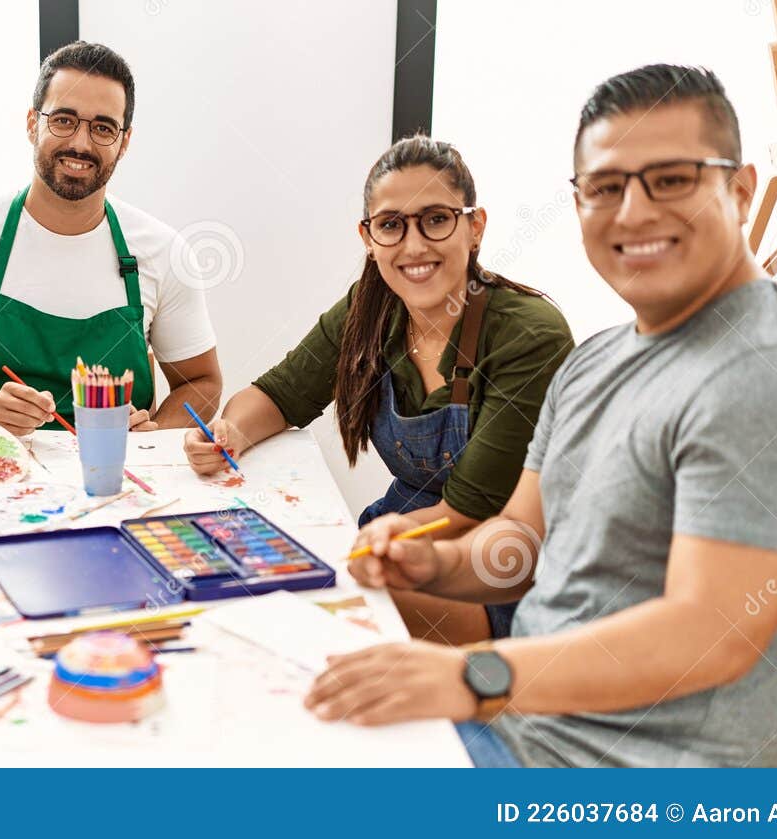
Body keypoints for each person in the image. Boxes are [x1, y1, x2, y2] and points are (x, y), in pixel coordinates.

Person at [306, 65, 777, 768]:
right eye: (605, 187)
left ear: (741, 190)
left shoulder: (773, 377)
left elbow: (708, 634)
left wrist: (472, 674)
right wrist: (434, 563)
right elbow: (520, 547)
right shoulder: (597, 361)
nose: (633, 212)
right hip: (523, 730)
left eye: (672, 179)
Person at [184, 136, 573, 642]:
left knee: (293, 612)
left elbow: (469, 510)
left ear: (474, 227)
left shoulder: (528, 334)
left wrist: (352, 555)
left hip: (497, 575)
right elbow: (280, 396)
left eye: (436, 219)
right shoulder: (371, 310)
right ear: (368, 237)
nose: (413, 247)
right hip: (398, 536)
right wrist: (228, 431)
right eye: (391, 225)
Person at [0, 41, 221, 435]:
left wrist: (155, 434)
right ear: (33, 123)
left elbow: (201, 383)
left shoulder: (164, 251)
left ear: (125, 141)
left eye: (103, 128)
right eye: (64, 120)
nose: (81, 145)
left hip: (119, 481)